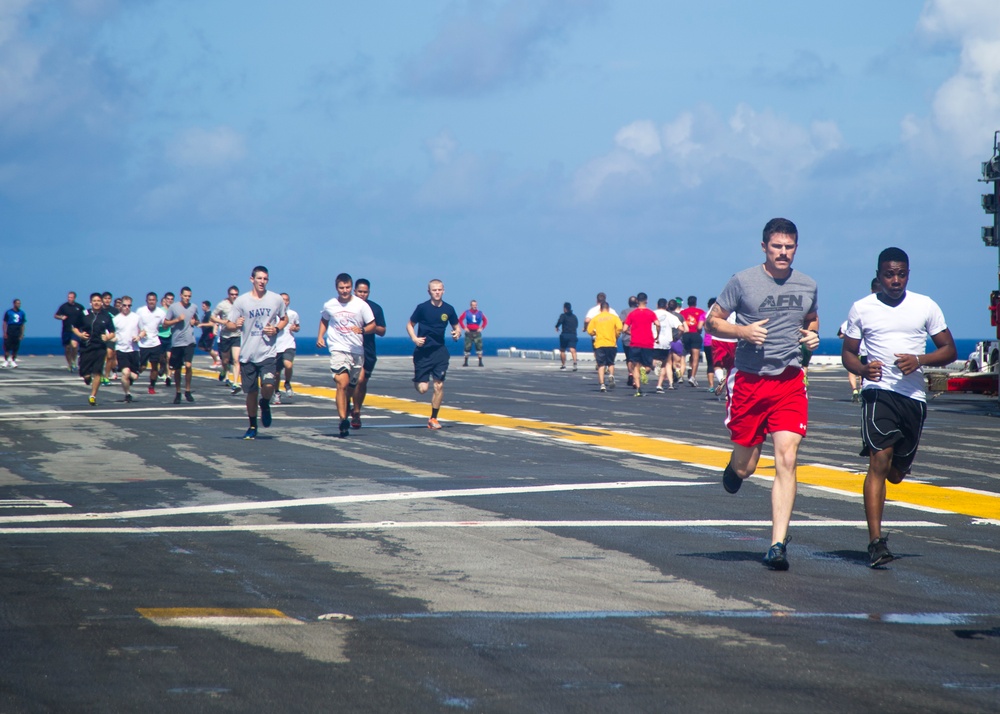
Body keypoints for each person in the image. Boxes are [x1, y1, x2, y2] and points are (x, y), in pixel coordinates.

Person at [706, 217, 819, 571]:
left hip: (789, 381)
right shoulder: (743, 281)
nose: (783, 253)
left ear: (795, 248)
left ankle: (777, 544)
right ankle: (734, 468)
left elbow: (812, 320)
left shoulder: (808, 284)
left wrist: (811, 337)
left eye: (789, 247)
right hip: (751, 382)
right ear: (764, 247)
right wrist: (742, 331)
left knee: (786, 458)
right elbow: (712, 321)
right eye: (776, 247)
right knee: (747, 466)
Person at [841, 247, 956, 568]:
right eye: (889, 274)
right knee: (879, 461)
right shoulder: (862, 308)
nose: (895, 280)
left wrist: (918, 360)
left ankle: (893, 479)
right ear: (878, 276)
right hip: (878, 394)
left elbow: (948, 349)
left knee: (896, 473)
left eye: (901, 274)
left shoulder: (925, 306)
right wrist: (863, 370)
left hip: (913, 399)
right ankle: (876, 543)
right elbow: (848, 353)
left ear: (908, 274)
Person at [226, 266, 288, 440]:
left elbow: (285, 319)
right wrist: (236, 324)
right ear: (252, 279)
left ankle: (265, 403)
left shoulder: (275, 299)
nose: (262, 282)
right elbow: (228, 324)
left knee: (269, 384)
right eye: (259, 278)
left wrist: (276, 329)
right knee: (251, 393)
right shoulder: (241, 301)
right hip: (248, 354)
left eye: (265, 279)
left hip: (267, 352)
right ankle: (252, 425)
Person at [318, 274, 376, 437]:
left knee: (352, 385)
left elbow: (373, 325)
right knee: (342, 383)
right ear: (337, 288)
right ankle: (343, 419)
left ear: (351, 287)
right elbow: (324, 319)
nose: (344, 291)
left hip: (357, 350)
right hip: (338, 348)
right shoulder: (330, 305)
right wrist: (320, 336)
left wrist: (363, 330)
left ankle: (347, 406)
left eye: (347, 288)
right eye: (341, 288)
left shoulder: (360, 305)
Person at [406, 279, 461, 430]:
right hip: (423, 352)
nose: (437, 292)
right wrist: (414, 339)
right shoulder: (422, 308)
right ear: (429, 291)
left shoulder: (449, 309)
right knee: (423, 389)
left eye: (439, 290)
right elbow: (410, 324)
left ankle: (433, 418)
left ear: (444, 290)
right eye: (434, 290)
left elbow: (457, 327)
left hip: (440, 352)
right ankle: (419, 378)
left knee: (439, 385)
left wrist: (457, 334)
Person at [349, 279, 386, 428]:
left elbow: (382, 331)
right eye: (360, 292)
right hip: (349, 349)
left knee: (362, 381)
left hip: (368, 351)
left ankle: (356, 411)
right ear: (354, 291)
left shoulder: (375, 308)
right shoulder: (347, 307)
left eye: (365, 292)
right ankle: (349, 406)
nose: (362, 295)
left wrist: (370, 327)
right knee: (351, 381)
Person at [71, 293, 116, 405]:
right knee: (85, 375)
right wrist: (80, 335)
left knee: (97, 372)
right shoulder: (84, 314)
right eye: (94, 301)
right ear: (91, 302)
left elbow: (113, 332)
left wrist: (107, 337)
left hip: (100, 347)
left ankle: (93, 396)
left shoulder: (106, 316)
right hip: (86, 347)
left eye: (98, 301)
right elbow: (74, 327)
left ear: (101, 303)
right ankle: (87, 378)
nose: (96, 303)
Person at [163, 287, 199, 404]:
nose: (187, 298)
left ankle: (187, 390)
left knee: (188, 365)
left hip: (189, 341)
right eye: (185, 296)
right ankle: (178, 392)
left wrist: (195, 323)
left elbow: (197, 321)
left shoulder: (194, 307)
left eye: (189, 296)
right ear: (181, 295)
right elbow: (165, 324)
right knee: (177, 369)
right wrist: (177, 320)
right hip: (177, 342)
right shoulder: (173, 307)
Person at [623, 293, 659, 397]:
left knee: (635, 367)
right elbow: (658, 324)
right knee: (648, 366)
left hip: (635, 343)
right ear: (646, 301)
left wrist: (631, 333)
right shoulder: (651, 313)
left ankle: (638, 389)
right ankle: (645, 370)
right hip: (647, 342)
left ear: (637, 301)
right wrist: (657, 334)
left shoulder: (632, 314)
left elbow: (624, 329)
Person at [586, 301, 622, 392]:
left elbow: (589, 330)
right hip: (611, 343)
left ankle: (602, 384)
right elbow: (620, 328)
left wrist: (595, 332)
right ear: (608, 309)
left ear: (600, 309)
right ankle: (611, 375)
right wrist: (616, 335)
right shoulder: (614, 318)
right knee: (611, 363)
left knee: (601, 365)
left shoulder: (596, 318)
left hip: (599, 344)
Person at [135, 292, 166, 395]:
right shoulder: (140, 311)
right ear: (146, 301)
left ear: (156, 301)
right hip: (143, 344)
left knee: (154, 367)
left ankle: (152, 386)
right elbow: (135, 324)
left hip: (155, 343)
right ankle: (135, 373)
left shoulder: (161, 313)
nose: (151, 302)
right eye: (150, 300)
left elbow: (166, 324)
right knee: (143, 367)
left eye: (153, 300)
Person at [212, 286, 242, 392]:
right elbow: (213, 316)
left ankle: (235, 383)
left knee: (236, 359)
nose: (234, 296)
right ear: (228, 295)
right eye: (232, 294)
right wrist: (222, 322)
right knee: (225, 360)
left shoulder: (241, 304)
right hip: (225, 336)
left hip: (237, 335)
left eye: (236, 294)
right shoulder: (222, 305)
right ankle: (225, 372)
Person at [272, 292, 300, 405]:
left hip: (289, 344)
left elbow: (298, 327)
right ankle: (277, 393)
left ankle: (287, 383)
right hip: (275, 346)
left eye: (286, 300)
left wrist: (295, 328)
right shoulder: (272, 314)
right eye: (282, 300)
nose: (285, 302)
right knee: (276, 374)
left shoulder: (293, 314)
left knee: (288, 365)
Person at [112, 296, 141, 403]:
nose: (126, 308)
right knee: (125, 373)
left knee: (134, 376)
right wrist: (112, 339)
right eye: (124, 305)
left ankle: (129, 381)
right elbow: (111, 334)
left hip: (134, 350)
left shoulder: (136, 317)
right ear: (121, 305)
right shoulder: (115, 320)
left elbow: (143, 331)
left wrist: (139, 337)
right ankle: (127, 394)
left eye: (129, 306)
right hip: (121, 349)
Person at [653, 298, 682, 392]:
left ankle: (652, 365)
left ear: (657, 305)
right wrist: (677, 337)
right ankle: (659, 385)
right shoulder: (670, 316)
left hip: (653, 341)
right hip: (666, 342)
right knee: (665, 364)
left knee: (650, 359)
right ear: (666, 306)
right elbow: (682, 328)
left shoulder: (652, 314)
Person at [680, 296, 707, 387]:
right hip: (695, 335)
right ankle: (692, 377)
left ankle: (682, 374)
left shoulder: (682, 312)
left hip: (685, 335)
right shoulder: (701, 312)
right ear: (695, 302)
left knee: (682, 356)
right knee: (695, 357)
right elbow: (701, 325)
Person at [54, 291, 85, 372]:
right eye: (68, 297)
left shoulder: (80, 307)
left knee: (74, 346)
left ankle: (74, 361)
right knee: (67, 348)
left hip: (76, 330)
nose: (69, 299)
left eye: (71, 297)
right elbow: (55, 315)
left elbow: (86, 316)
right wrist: (61, 317)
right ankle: (69, 364)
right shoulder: (63, 307)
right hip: (66, 330)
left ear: (74, 298)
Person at [459, 300, 488, 367]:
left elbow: (485, 320)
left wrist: (482, 328)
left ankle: (480, 362)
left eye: (475, 305)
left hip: (477, 332)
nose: (475, 306)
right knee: (467, 347)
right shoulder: (466, 312)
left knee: (479, 347)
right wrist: (464, 328)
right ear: (471, 305)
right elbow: (460, 320)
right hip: (469, 332)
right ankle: (466, 362)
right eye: (473, 305)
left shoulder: (480, 313)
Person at [620, 296, 638, 387]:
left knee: (629, 358)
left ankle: (630, 373)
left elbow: (621, 323)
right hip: (638, 338)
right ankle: (635, 378)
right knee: (636, 359)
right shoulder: (640, 312)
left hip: (627, 338)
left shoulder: (624, 312)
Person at [3, 299, 26, 368]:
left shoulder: (22, 313)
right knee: (7, 347)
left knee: (15, 347)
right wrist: (5, 332)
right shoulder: (8, 312)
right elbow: (5, 323)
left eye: (19, 303)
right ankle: (6, 361)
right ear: (14, 304)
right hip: (10, 330)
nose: (19, 305)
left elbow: (22, 324)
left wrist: (22, 334)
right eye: (17, 303)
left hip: (17, 330)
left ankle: (13, 361)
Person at [555, 302, 579, 371]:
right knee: (572, 349)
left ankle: (563, 365)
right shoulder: (574, 317)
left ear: (565, 309)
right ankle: (575, 363)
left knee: (562, 350)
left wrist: (556, 327)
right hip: (573, 334)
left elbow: (560, 321)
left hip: (565, 334)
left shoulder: (563, 315)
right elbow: (576, 325)